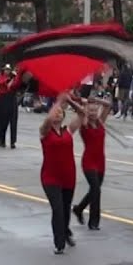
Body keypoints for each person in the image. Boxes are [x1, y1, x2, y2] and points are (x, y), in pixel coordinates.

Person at [40, 93, 82, 255]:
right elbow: (48, 120)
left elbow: (82, 114)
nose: (57, 113)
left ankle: (65, 232)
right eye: (55, 112)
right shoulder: (45, 131)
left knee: (65, 210)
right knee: (57, 209)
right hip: (50, 176)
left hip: (68, 175)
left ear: (64, 115)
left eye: (60, 112)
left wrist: (70, 100)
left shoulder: (68, 131)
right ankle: (59, 243)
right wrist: (58, 102)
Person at [73, 95, 109, 231]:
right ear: (86, 112)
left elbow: (108, 105)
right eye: (90, 111)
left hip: (101, 162)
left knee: (95, 191)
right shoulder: (84, 125)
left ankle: (79, 208)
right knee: (96, 190)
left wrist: (96, 100)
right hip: (89, 162)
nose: (93, 113)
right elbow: (80, 112)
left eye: (95, 110)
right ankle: (93, 222)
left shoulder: (100, 122)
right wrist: (83, 105)